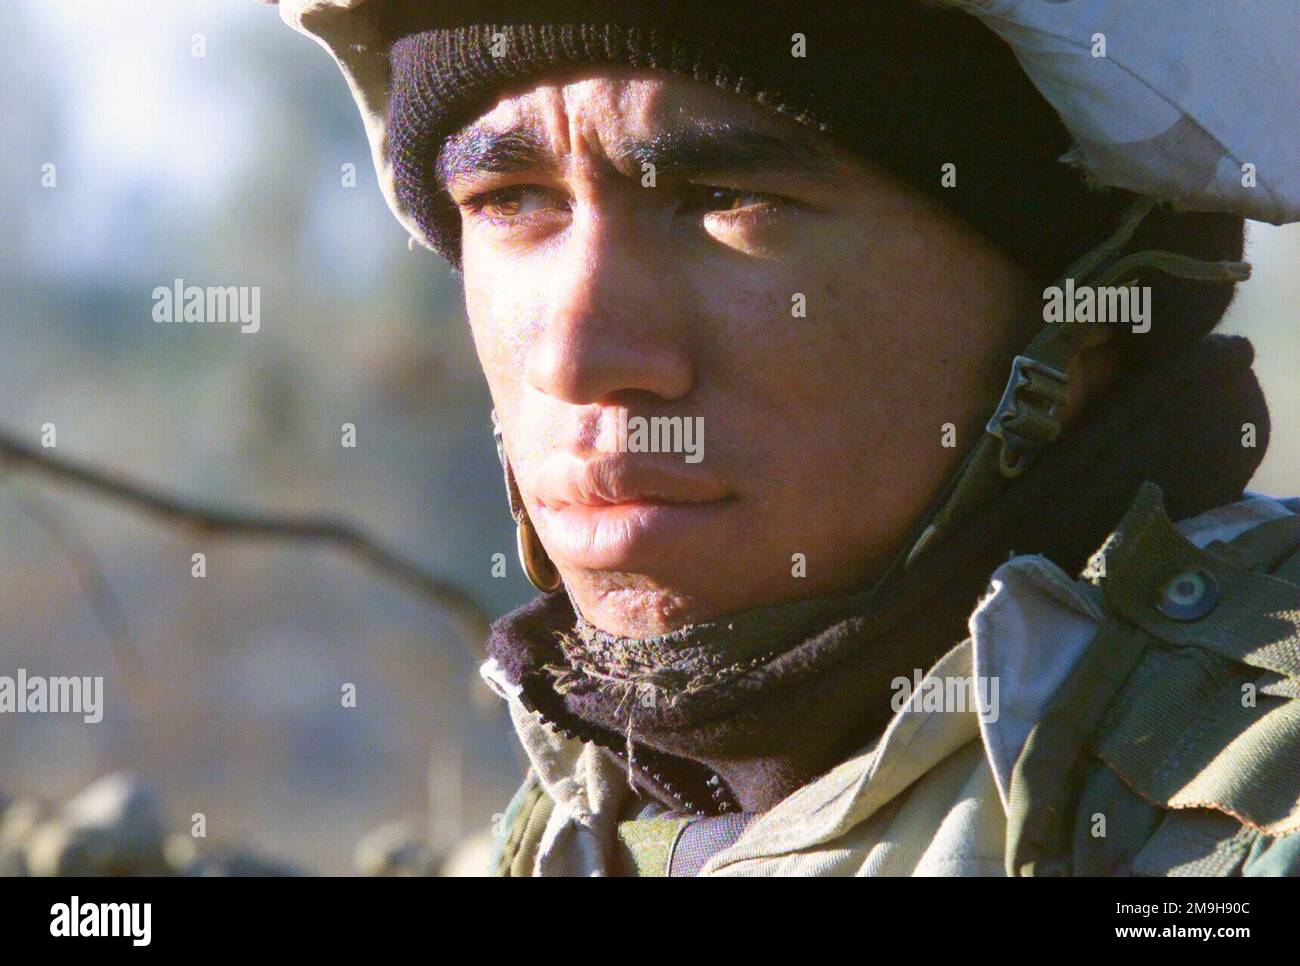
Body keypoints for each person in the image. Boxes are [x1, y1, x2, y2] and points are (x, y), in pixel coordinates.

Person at [274, 0, 1300, 876]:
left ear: (1082, 313)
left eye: (722, 200)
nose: (577, 354)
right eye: (510, 202)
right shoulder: (573, 831)